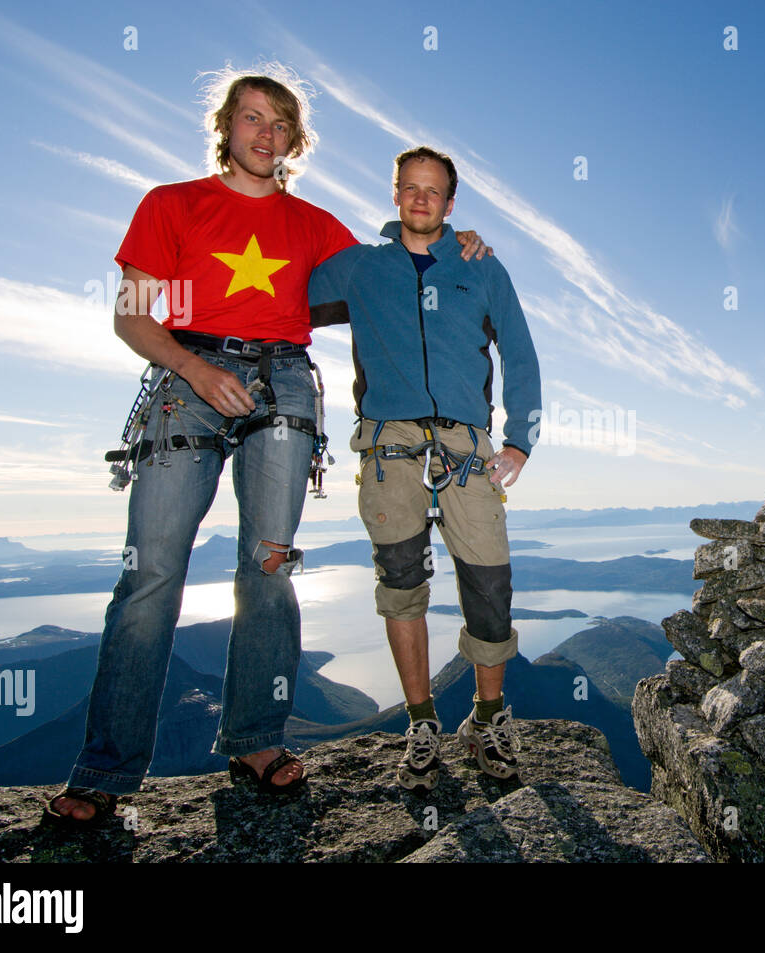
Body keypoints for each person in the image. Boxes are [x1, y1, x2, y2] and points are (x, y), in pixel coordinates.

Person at [44, 74, 487, 826]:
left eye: (281, 123)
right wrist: (196, 368)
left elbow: (386, 282)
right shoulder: (169, 204)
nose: (266, 133)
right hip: (188, 376)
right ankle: (105, 771)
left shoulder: (312, 223)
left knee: (270, 564)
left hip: (284, 383)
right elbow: (130, 316)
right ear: (226, 126)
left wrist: (453, 245)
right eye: (252, 117)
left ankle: (255, 738)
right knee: (151, 570)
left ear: (294, 141)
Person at [308, 146, 541, 791]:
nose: (421, 200)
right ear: (394, 194)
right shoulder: (360, 268)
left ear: (451, 202)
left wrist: (521, 439)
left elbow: (520, 352)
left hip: (468, 448)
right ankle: (421, 722)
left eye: (433, 191)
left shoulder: (480, 266)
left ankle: (488, 718)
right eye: (410, 188)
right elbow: (276, 293)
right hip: (389, 442)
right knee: (401, 581)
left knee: (490, 586)